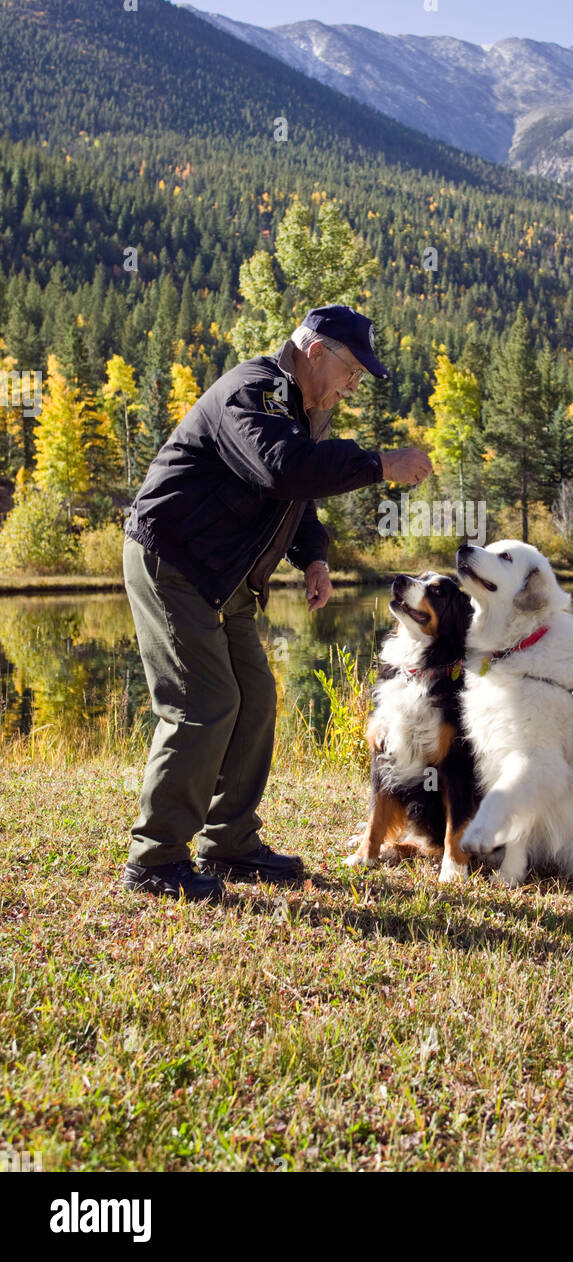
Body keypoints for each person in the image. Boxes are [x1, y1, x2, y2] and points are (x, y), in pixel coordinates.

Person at [121, 304, 432, 902]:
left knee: (255, 698)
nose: (352, 387)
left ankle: (229, 842)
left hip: (226, 579)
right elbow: (281, 469)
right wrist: (378, 465)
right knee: (203, 703)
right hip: (174, 561)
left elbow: (297, 499)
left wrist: (313, 556)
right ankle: (155, 860)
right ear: (317, 352)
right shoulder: (254, 391)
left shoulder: (300, 410)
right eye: (351, 373)